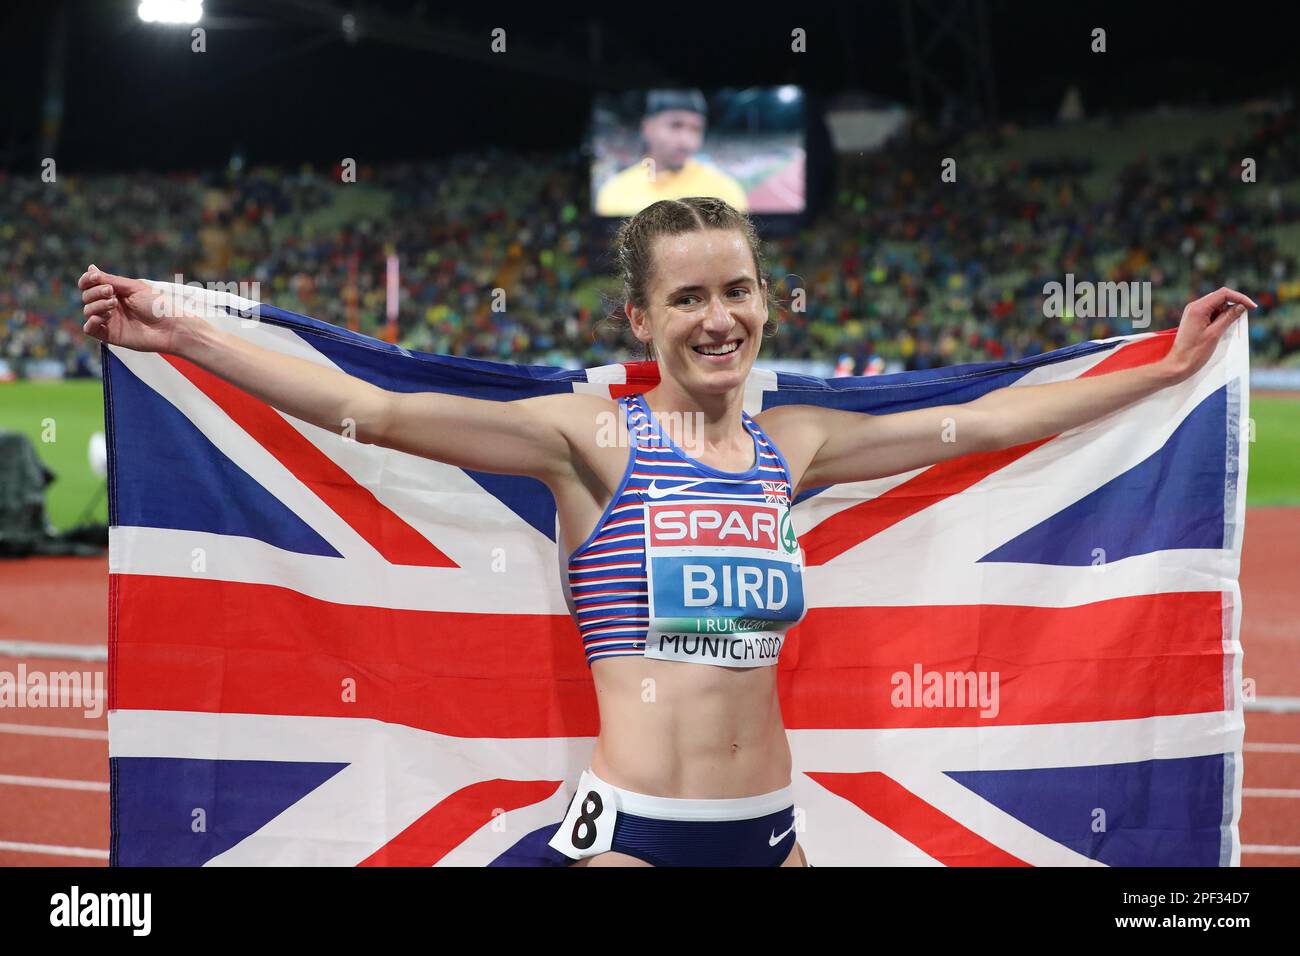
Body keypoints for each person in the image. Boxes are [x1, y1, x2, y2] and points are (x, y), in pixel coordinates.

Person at [80, 197, 1255, 867]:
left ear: (763, 299)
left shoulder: (794, 447)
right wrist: (182, 335)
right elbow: (375, 412)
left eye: (735, 289)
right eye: (686, 297)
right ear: (639, 316)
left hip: (776, 832)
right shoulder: (586, 439)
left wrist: (1169, 361)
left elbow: (991, 420)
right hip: (631, 835)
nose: (718, 317)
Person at [595, 90, 748, 217]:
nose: (687, 141)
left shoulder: (724, 190)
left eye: (696, 129)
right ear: (647, 127)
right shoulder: (616, 192)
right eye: (675, 125)